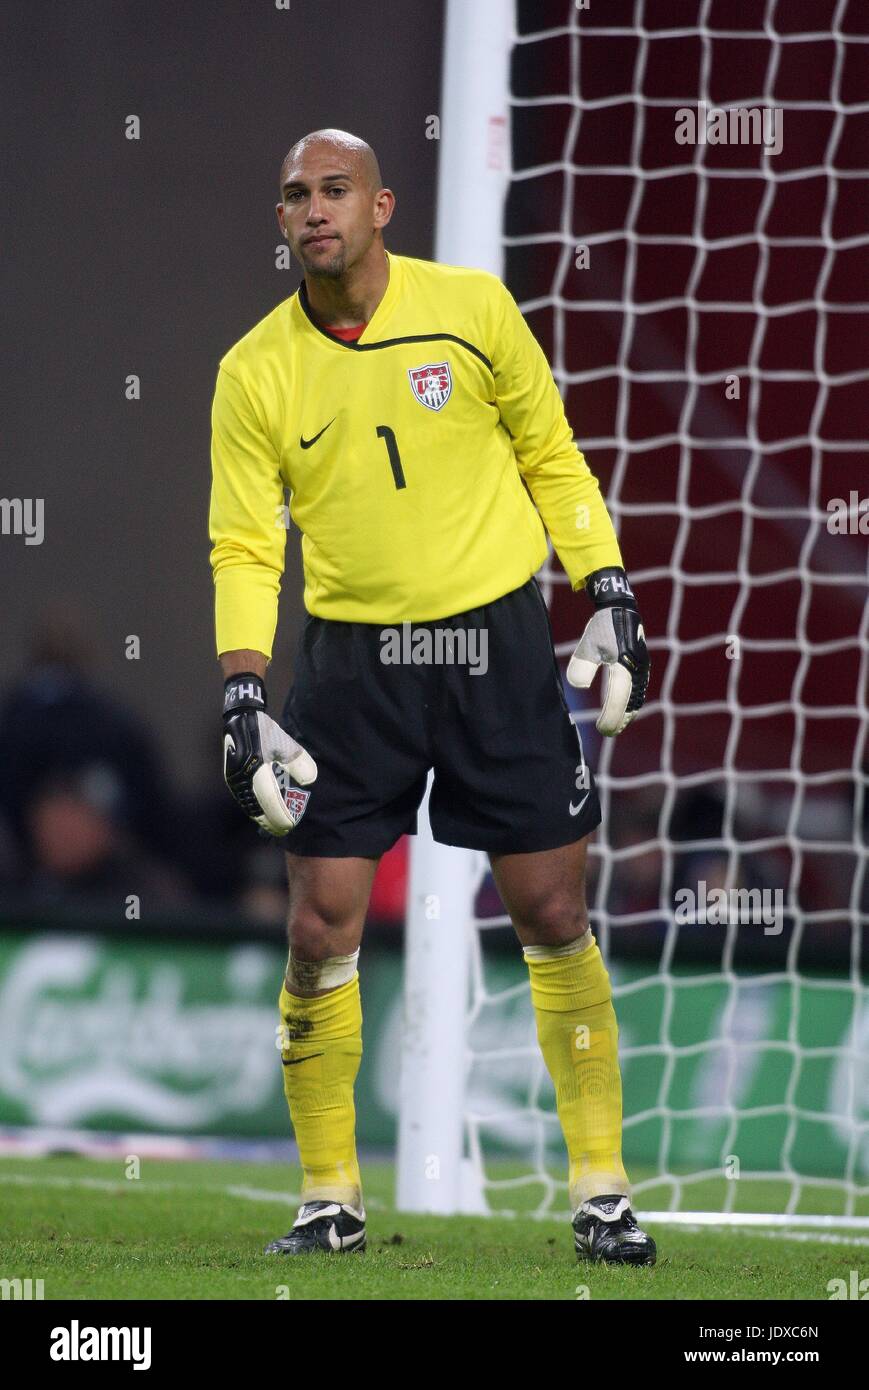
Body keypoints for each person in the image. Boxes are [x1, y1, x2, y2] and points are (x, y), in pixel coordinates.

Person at [209, 129, 653, 1265]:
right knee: (319, 925)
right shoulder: (253, 369)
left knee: (553, 911)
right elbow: (246, 546)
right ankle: (327, 1194)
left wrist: (603, 587)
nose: (311, 209)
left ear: (381, 206)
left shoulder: (472, 309)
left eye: (334, 190)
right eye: (293, 194)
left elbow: (551, 453)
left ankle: (601, 1187)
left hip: (493, 646)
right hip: (353, 666)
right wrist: (243, 693)